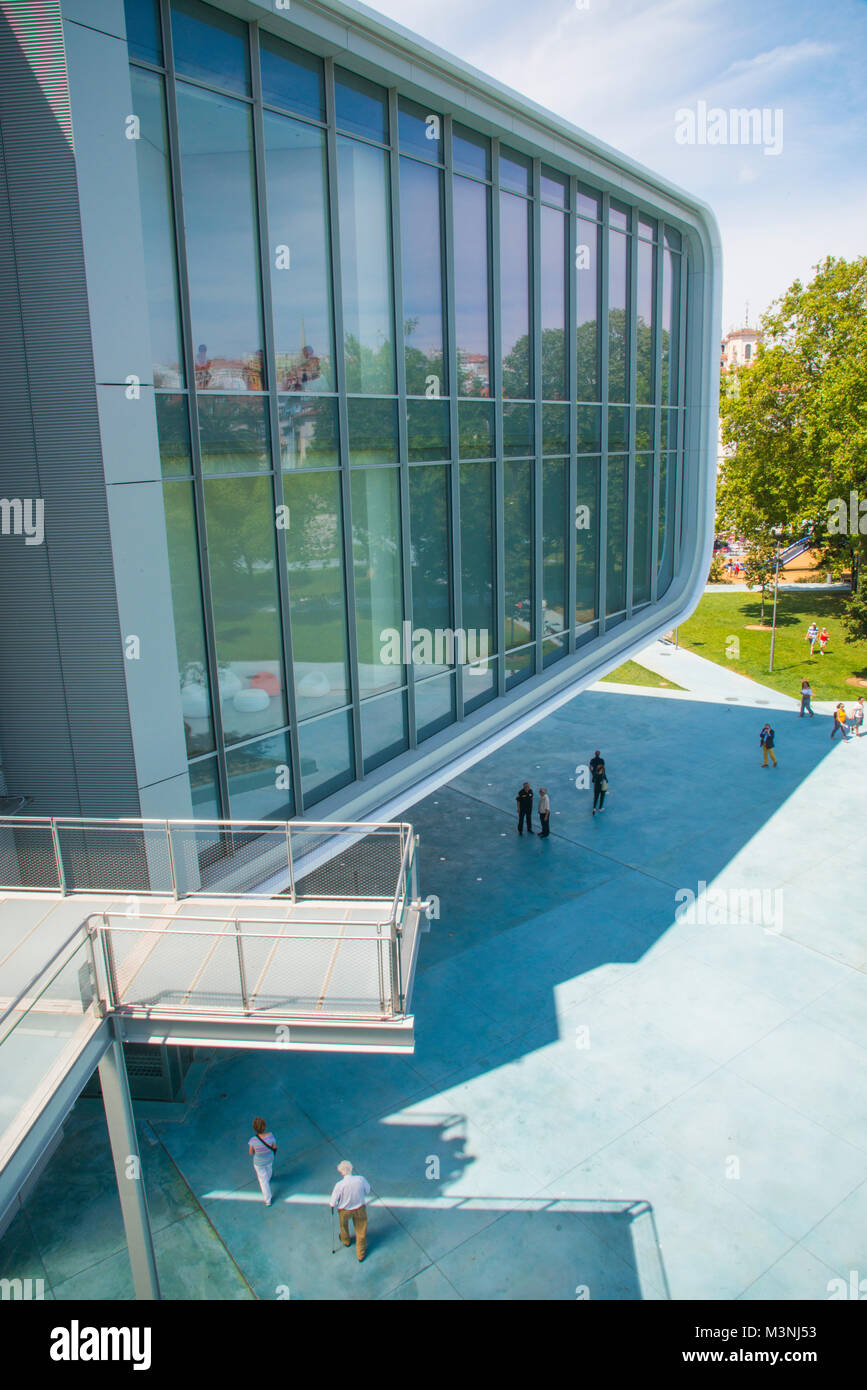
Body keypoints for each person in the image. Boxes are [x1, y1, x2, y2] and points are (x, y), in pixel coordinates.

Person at [330, 1160, 371, 1261]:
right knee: (361, 1231)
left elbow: (333, 1202)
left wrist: (332, 1206)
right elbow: (368, 1190)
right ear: (351, 1169)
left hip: (344, 1210)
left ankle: (346, 1240)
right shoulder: (360, 1179)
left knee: (343, 1226)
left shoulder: (339, 1185)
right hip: (360, 1208)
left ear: (341, 1172)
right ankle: (360, 1254)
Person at [249, 1117, 277, 1206]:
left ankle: (267, 1199)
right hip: (269, 1159)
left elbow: (250, 1152)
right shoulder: (271, 1136)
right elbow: (274, 1147)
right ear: (264, 1127)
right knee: (269, 1169)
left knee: (263, 1180)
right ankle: (269, 1177)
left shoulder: (253, 1140)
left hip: (259, 1163)